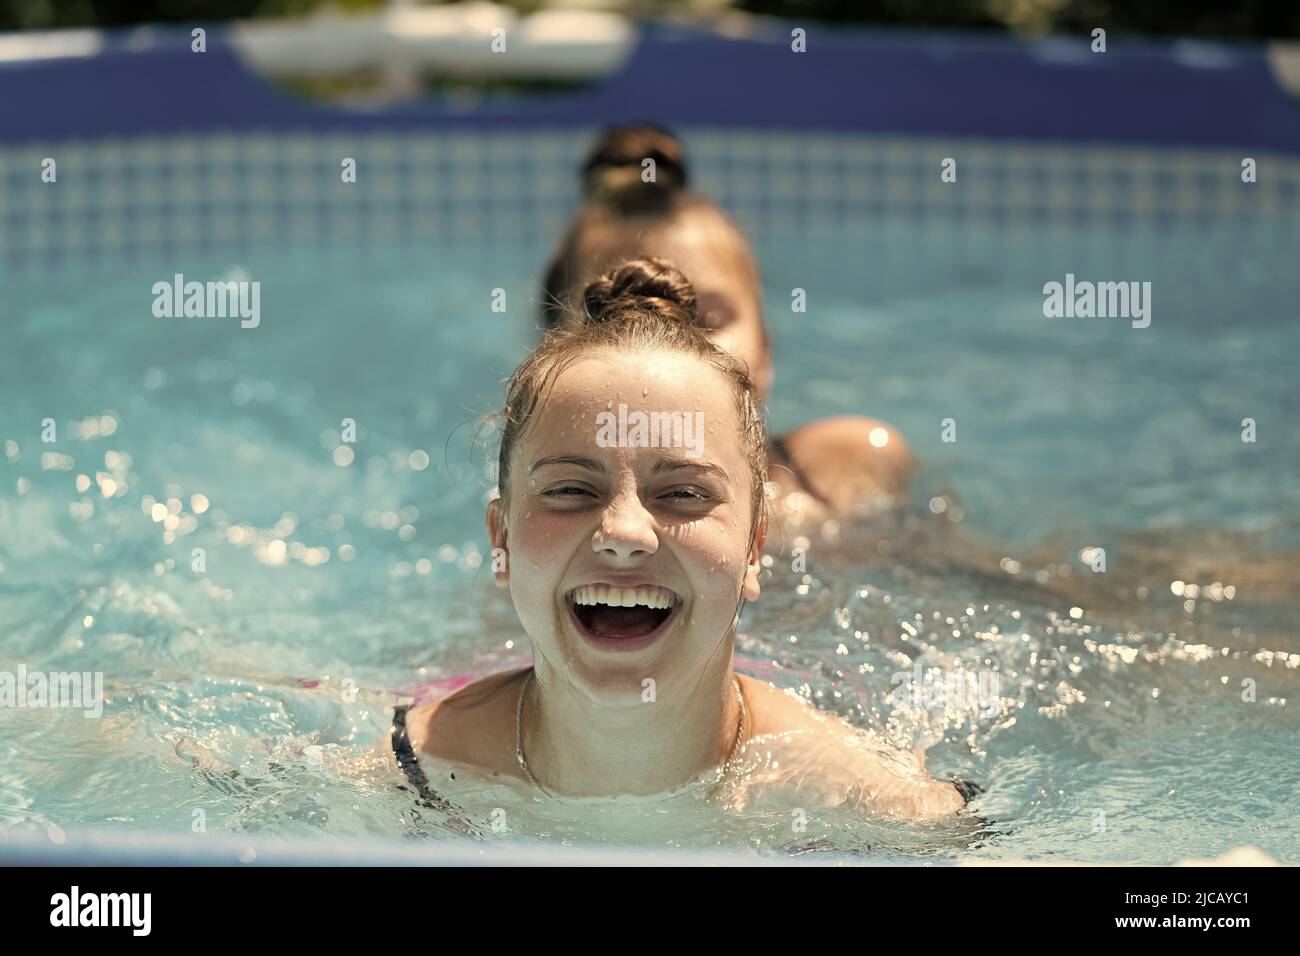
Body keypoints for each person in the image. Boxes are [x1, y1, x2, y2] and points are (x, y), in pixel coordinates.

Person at [394, 258, 970, 819]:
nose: (622, 531)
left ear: (754, 546)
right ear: (502, 540)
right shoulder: (409, 773)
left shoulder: (865, 802)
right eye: (571, 490)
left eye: (684, 494)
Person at [538, 124, 915, 527]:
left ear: (765, 350)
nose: (671, 346)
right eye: (621, 316)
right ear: (552, 359)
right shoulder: (546, 517)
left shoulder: (841, 470)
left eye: (707, 318)